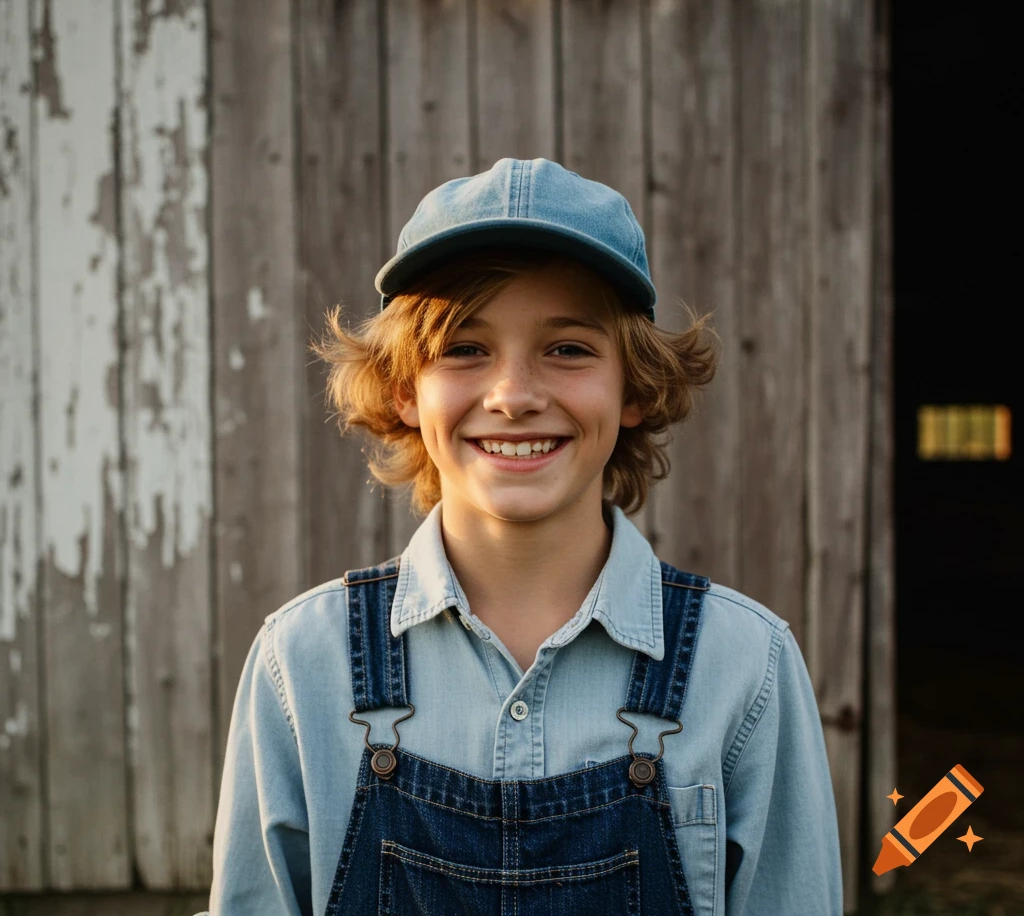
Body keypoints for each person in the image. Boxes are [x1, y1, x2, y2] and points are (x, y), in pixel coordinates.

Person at [202, 158, 843, 916]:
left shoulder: (745, 667)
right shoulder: (303, 664)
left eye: (568, 348)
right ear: (406, 389)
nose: (513, 395)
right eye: (464, 349)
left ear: (633, 387)